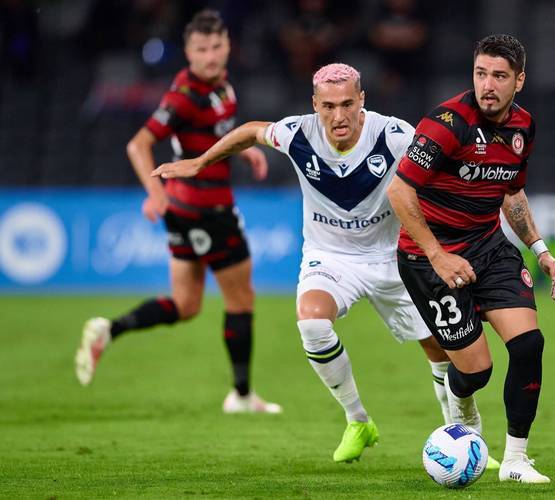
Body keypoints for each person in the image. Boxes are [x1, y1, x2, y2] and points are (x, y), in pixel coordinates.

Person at [151, 63, 500, 468]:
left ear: (362, 100)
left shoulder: (394, 135)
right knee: (312, 322)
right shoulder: (298, 133)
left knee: (439, 348)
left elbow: (443, 169)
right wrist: (199, 163)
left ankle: (465, 434)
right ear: (315, 104)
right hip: (330, 257)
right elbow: (250, 131)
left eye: (348, 104)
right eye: (329, 106)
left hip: (394, 257)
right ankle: (358, 420)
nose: (339, 116)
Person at [74, 9, 282, 415]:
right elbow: (138, 144)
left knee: (186, 304)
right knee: (241, 300)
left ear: (228, 46)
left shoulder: (222, 87)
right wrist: (155, 193)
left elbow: (211, 135)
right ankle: (241, 396)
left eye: (216, 46)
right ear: (188, 53)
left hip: (186, 211)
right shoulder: (184, 96)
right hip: (208, 209)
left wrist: (245, 152)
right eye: (201, 49)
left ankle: (109, 329)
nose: (210, 55)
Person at [387, 34, 555, 483]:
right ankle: (461, 402)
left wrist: (541, 250)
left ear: (519, 81)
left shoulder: (523, 127)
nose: (488, 85)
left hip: (488, 247)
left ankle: (515, 461)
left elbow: (512, 193)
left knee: (529, 345)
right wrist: (438, 256)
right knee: (476, 372)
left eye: (499, 76)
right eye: (481, 73)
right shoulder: (447, 124)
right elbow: (399, 190)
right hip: (428, 259)